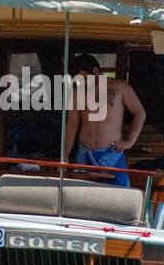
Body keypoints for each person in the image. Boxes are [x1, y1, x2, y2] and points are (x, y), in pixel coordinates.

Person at [62, 53, 146, 187]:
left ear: (95, 71)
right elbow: (72, 125)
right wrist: (65, 154)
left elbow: (140, 112)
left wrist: (130, 141)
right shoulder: (77, 92)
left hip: (111, 151)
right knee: (79, 197)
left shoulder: (120, 87)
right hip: (84, 151)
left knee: (121, 197)